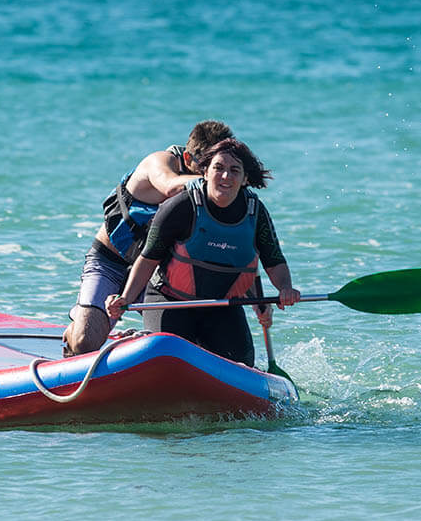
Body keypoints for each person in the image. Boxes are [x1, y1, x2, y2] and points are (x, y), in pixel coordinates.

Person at [106, 137, 300, 367]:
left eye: (234, 170)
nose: (226, 176)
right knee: (167, 358)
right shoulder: (180, 207)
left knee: (241, 365)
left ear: (245, 178)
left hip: (221, 306)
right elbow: (148, 259)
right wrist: (126, 298)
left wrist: (285, 289)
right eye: (218, 168)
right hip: (169, 301)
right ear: (205, 172)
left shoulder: (255, 213)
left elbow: (273, 261)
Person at [62, 120, 234, 356]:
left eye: (220, 166)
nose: (213, 174)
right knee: (84, 343)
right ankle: (79, 321)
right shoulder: (158, 162)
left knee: (195, 348)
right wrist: (222, 184)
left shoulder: (217, 191)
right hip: (112, 263)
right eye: (207, 167)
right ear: (187, 158)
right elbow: (171, 187)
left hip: (154, 274)